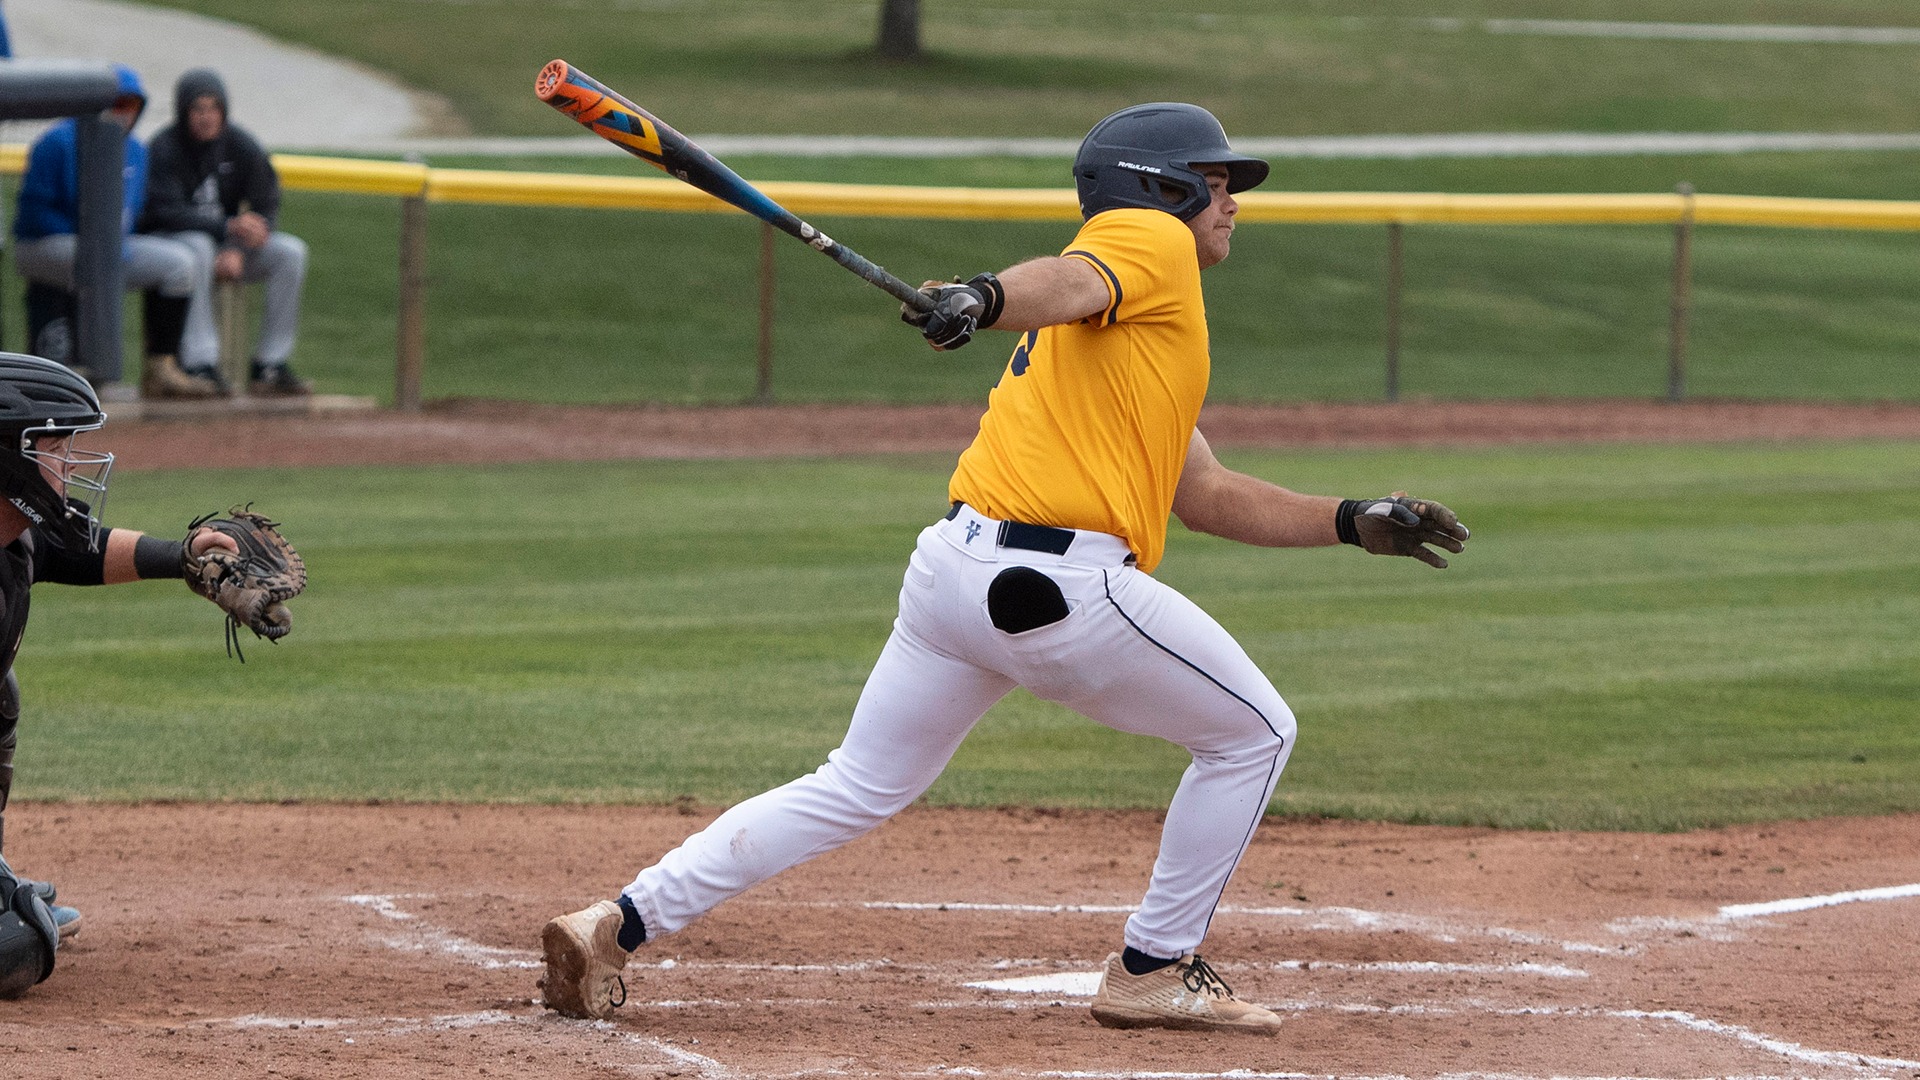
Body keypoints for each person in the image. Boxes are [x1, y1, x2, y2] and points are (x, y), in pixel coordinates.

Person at [537, 103, 1470, 1034]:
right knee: (1255, 735)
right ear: (1164, 188)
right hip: (1058, 591)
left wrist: (1351, 521)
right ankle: (1154, 965)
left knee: (856, 784)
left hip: (952, 577)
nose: (1233, 204)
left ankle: (616, 924)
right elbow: (1067, 276)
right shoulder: (1145, 244)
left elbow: (1206, 491)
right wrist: (984, 296)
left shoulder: (1130, 331)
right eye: (1219, 184)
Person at [0, 351, 248, 998]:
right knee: (13, 945)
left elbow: (74, 546)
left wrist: (185, 558)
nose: (71, 465)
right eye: (56, 448)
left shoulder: (14, 530)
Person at [11, 64, 212, 400]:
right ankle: (73, 364)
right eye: (117, 104)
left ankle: (161, 367)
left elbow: (133, 216)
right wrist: (96, 243)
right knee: (93, 261)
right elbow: (32, 215)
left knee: (179, 263)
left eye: (132, 107)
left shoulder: (136, 150)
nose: (124, 114)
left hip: (109, 250)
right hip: (43, 247)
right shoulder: (57, 142)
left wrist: (111, 245)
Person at [142, 68, 311, 397]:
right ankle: (199, 362)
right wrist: (226, 229)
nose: (206, 118)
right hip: (175, 244)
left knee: (290, 253)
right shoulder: (165, 148)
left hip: (228, 246)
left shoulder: (240, 145)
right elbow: (165, 212)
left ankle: (270, 364)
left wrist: (238, 244)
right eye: (197, 109)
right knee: (199, 246)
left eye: (213, 109)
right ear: (183, 112)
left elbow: (267, 201)